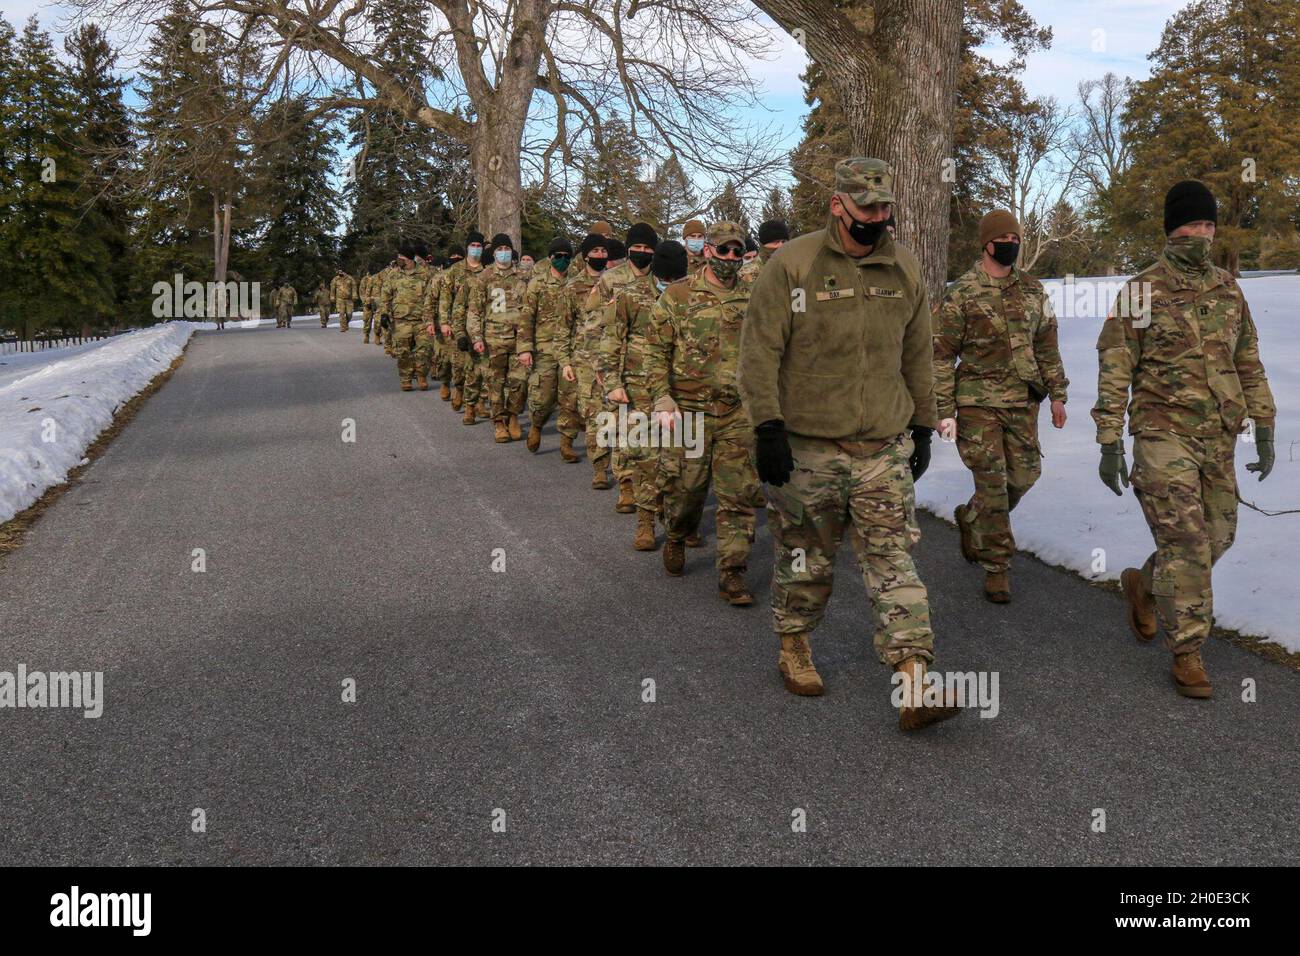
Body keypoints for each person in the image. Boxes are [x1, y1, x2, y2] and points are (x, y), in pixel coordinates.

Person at [738, 157, 961, 732]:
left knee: (893, 557)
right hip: (808, 446)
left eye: (885, 208)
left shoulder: (903, 268)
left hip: (881, 446)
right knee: (807, 558)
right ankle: (793, 642)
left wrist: (922, 425)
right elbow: (759, 352)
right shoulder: (794, 266)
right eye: (867, 208)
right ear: (838, 205)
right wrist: (767, 427)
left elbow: (918, 354)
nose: (877, 218)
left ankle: (915, 680)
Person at [1092, 179, 1276, 699]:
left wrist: (1263, 424)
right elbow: (1115, 365)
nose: (1204, 233)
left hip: (1217, 435)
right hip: (1160, 434)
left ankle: (1145, 585)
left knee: (1218, 536)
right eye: (1194, 224)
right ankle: (1189, 653)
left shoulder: (1228, 288)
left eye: (1210, 224)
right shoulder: (1142, 290)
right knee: (1189, 544)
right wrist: (1109, 438)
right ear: (1173, 228)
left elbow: (1248, 360)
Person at [933, 208, 1068, 603]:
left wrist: (1058, 394)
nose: (1011, 246)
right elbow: (942, 355)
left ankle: (972, 517)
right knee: (992, 484)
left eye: (1016, 240)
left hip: (1023, 401)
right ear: (986, 244)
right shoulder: (962, 292)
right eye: (1004, 240)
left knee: (1025, 476)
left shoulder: (1032, 289)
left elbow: (1047, 344)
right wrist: (944, 410)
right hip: (976, 404)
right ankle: (997, 568)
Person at [645, 222, 762, 607]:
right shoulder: (679, 295)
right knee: (687, 491)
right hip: (689, 413)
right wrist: (662, 399)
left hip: (736, 413)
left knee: (738, 496)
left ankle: (732, 573)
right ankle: (677, 535)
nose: (731, 258)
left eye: (737, 252)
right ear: (708, 250)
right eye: (723, 250)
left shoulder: (754, 297)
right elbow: (655, 352)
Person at [599, 226, 666, 538]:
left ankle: (676, 517)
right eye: (637, 246)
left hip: (672, 385)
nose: (643, 252)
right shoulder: (618, 287)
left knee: (678, 452)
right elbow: (605, 335)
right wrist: (610, 378)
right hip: (634, 381)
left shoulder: (670, 287)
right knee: (642, 451)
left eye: (648, 247)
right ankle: (645, 520)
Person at [522, 238, 583, 460]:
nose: (563, 261)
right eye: (558, 256)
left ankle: (567, 443)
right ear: (550, 259)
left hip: (570, 349)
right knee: (543, 395)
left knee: (570, 398)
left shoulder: (577, 284)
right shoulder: (537, 284)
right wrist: (525, 349)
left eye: (567, 257)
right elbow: (526, 317)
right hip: (545, 348)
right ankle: (536, 425)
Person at [468, 234, 532, 442]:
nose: (503, 252)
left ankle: (513, 416)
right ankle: (498, 423)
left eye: (507, 248)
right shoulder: (484, 278)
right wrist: (476, 337)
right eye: (499, 248)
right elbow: (475, 311)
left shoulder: (523, 277)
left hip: (519, 340)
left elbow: (531, 310)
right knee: (495, 384)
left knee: (519, 382)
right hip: (493, 341)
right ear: (493, 252)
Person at [382, 242, 435, 391]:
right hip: (401, 320)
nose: (398, 259)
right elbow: (386, 295)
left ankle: (421, 376)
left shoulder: (425, 274)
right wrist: (384, 314)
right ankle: (406, 378)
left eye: (401, 257)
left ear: (409, 259)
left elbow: (430, 297)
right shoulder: (393, 274)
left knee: (424, 350)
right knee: (403, 351)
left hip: (421, 320)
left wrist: (430, 318)